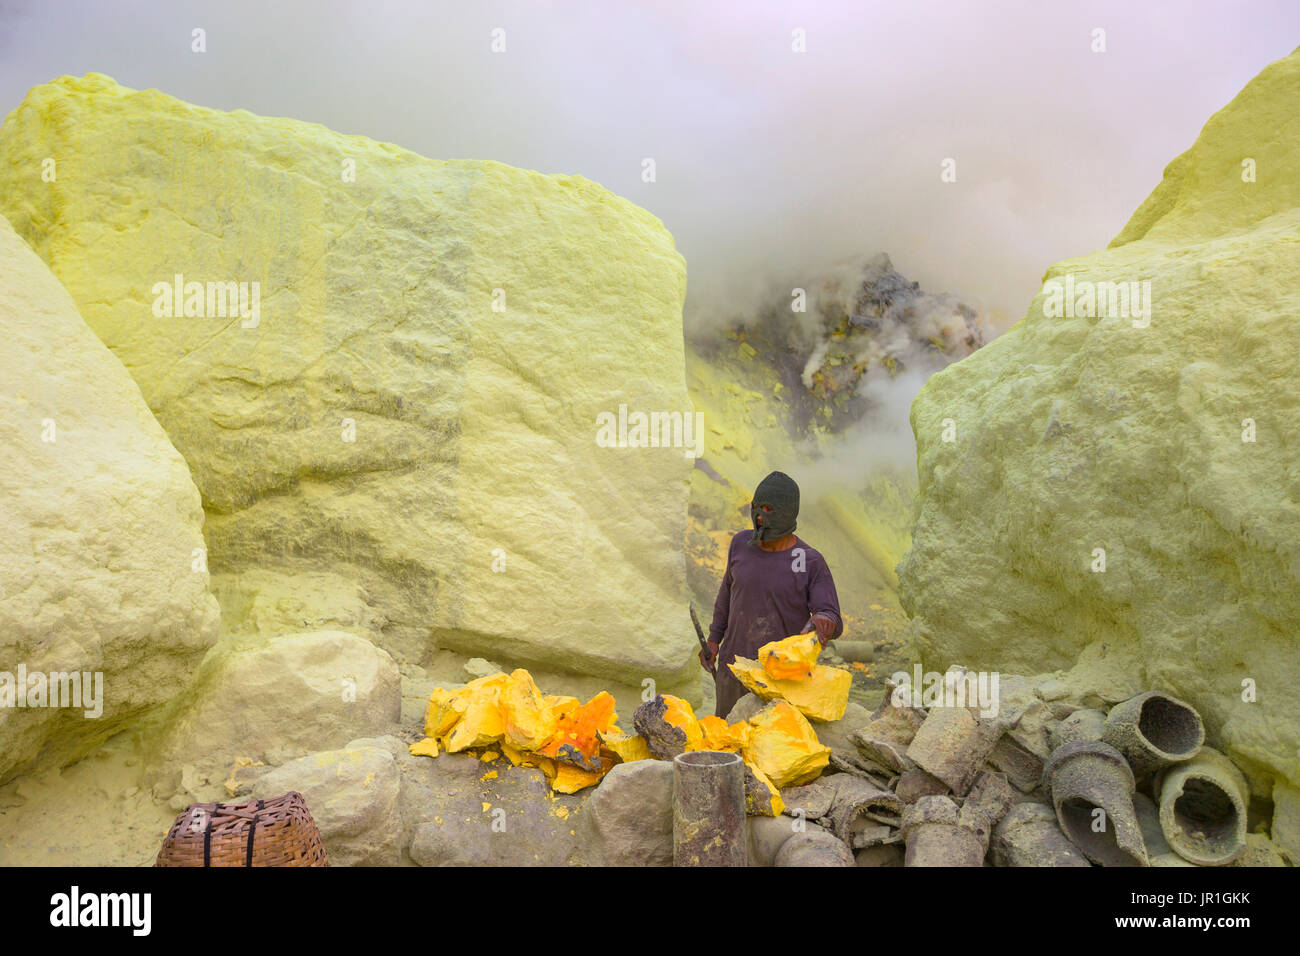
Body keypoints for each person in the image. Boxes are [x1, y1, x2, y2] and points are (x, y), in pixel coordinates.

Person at [701, 470, 843, 718]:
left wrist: (823, 622)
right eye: (756, 507)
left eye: (768, 509)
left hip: (779, 680)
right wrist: (714, 639)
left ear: (787, 513)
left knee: (770, 746)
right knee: (725, 743)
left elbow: (831, 616)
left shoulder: (809, 561)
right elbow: (726, 594)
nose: (758, 516)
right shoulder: (740, 544)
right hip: (733, 670)